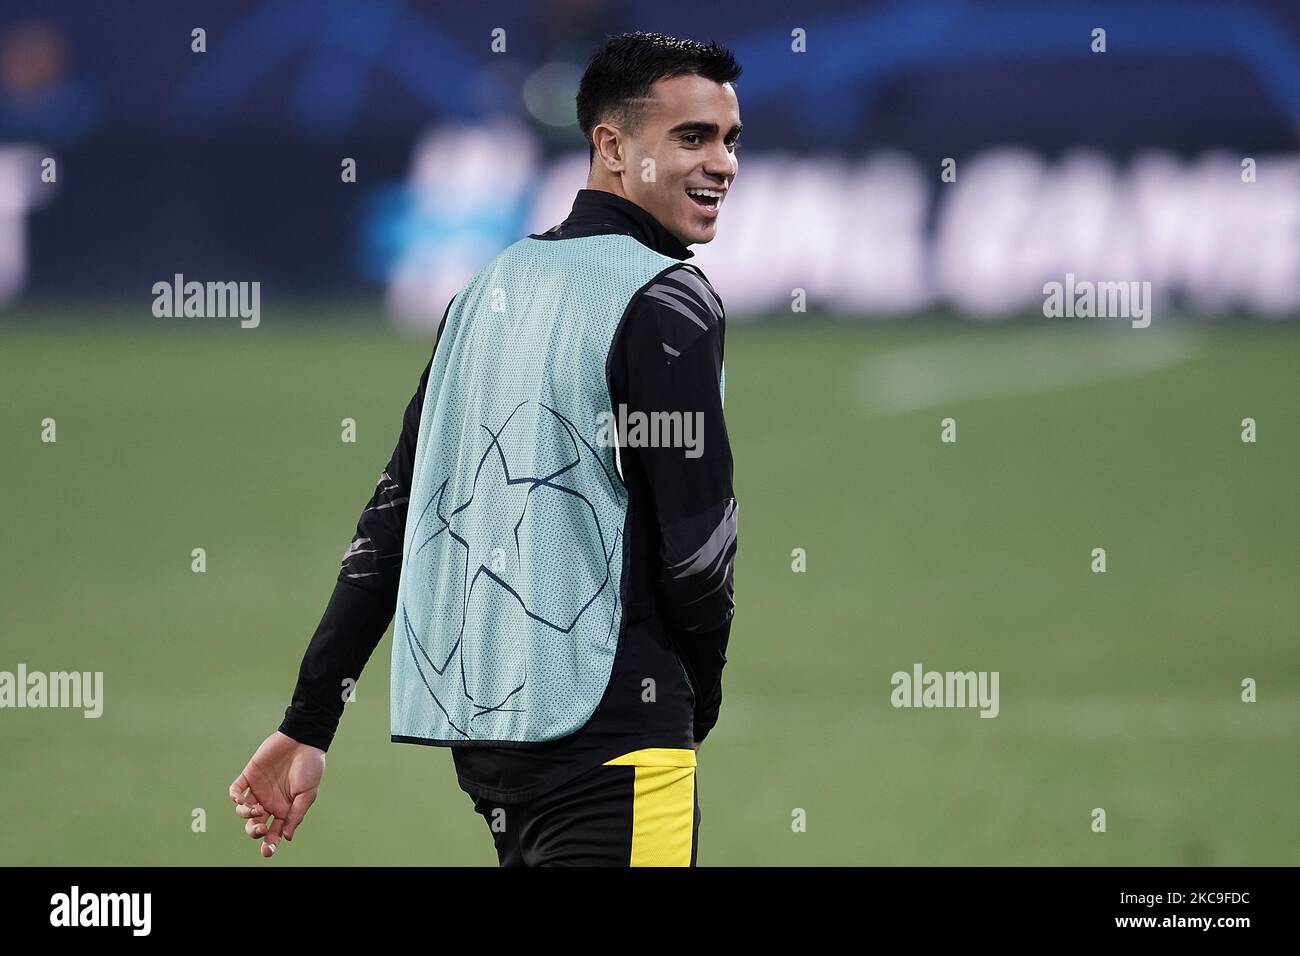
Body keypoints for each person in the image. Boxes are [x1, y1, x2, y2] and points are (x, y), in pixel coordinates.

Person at [229, 31, 742, 867]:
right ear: (611, 147)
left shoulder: (487, 289)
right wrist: (692, 704)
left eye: (730, 140)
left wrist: (309, 720)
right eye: (692, 137)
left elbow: (394, 514)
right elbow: (700, 549)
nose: (722, 162)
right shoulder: (669, 300)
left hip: (498, 756)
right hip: (621, 747)